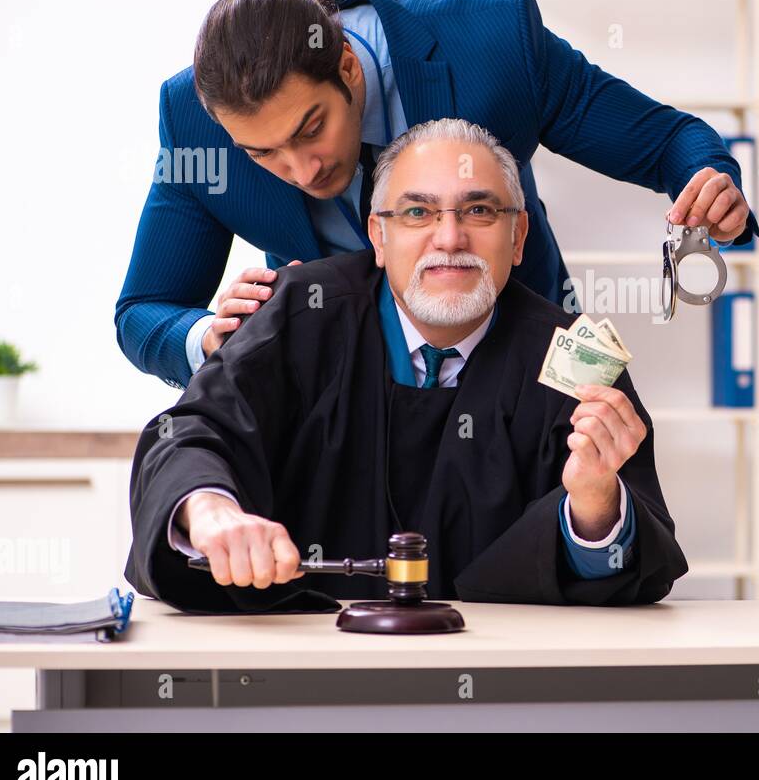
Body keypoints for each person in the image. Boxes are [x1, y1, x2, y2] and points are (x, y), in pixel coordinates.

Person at [124, 118, 688, 613]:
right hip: (302, 668)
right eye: (417, 211)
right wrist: (209, 510)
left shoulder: (576, 360)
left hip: (503, 684)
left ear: (518, 238)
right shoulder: (300, 311)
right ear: (378, 234)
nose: (449, 238)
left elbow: (631, 562)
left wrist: (593, 508)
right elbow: (191, 432)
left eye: (480, 210)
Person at [116, 0, 759, 389]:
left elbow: (668, 140)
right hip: (341, 400)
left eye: (311, 129)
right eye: (264, 155)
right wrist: (206, 336)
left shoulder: (491, 46)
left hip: (525, 373)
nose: (300, 170)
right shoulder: (195, 122)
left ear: (345, 66)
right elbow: (143, 313)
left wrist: (707, 180)